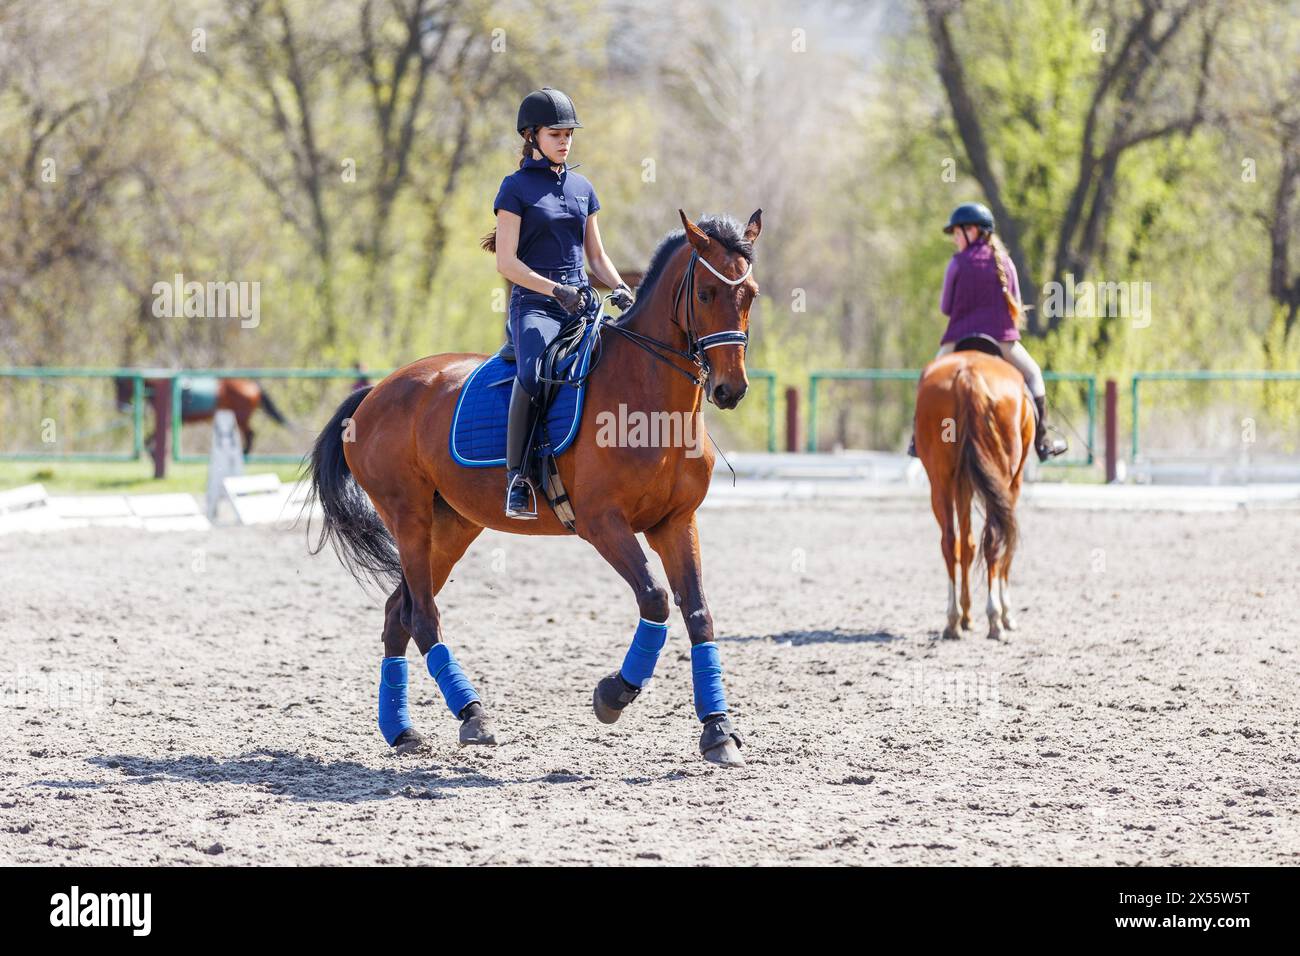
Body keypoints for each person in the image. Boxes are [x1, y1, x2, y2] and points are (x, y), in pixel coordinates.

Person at [480, 87, 634, 518]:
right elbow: (506, 263)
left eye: (569, 133)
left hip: (582, 303)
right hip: (535, 306)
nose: (565, 141)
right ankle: (519, 478)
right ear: (532, 136)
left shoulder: (584, 187)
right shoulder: (514, 189)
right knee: (533, 372)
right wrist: (555, 290)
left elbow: (597, 257)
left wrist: (621, 288)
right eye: (555, 133)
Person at [909, 201, 1068, 462]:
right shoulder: (1005, 263)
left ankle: (917, 439)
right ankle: (1043, 441)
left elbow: (945, 307)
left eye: (960, 233)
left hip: (959, 339)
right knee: (1033, 374)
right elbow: (1015, 302)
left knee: (928, 378)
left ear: (977, 231)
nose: (957, 239)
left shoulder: (957, 264)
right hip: (1001, 339)